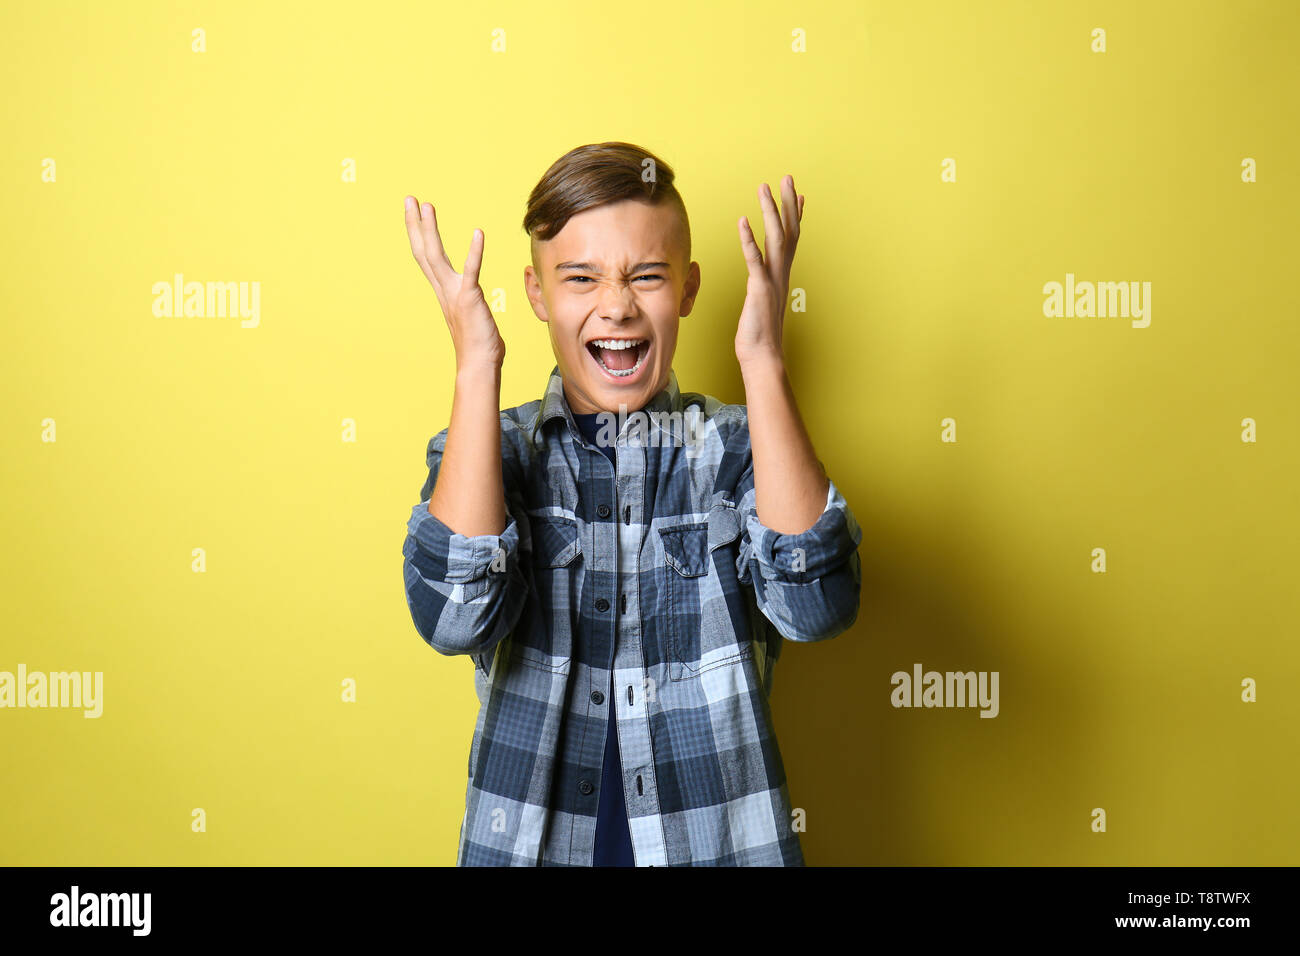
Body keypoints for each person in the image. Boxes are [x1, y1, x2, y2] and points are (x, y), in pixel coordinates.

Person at [401, 142, 862, 866]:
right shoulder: (495, 450)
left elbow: (818, 608)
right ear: (536, 294)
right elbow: (453, 619)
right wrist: (476, 366)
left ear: (688, 288)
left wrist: (764, 361)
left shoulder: (736, 446)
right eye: (580, 278)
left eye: (646, 275)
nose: (616, 305)